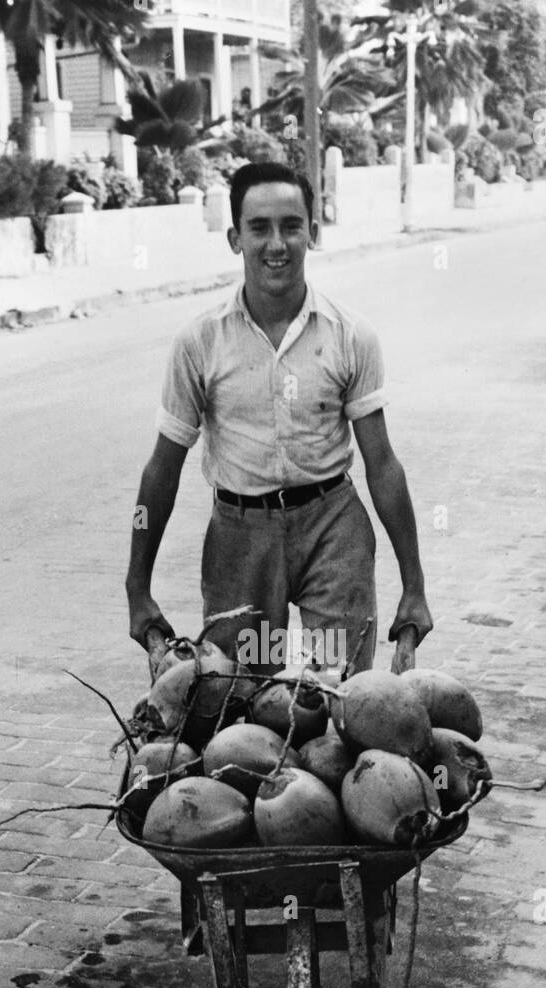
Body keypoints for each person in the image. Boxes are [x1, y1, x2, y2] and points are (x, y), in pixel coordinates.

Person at [125, 161, 432, 679]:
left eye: (292, 226)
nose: (277, 243)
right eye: (259, 228)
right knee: (238, 708)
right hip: (239, 542)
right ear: (234, 238)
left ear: (311, 233)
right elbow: (162, 470)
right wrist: (137, 587)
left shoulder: (350, 335)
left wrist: (415, 585)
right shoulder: (200, 342)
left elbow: (382, 465)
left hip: (333, 532)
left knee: (340, 702)